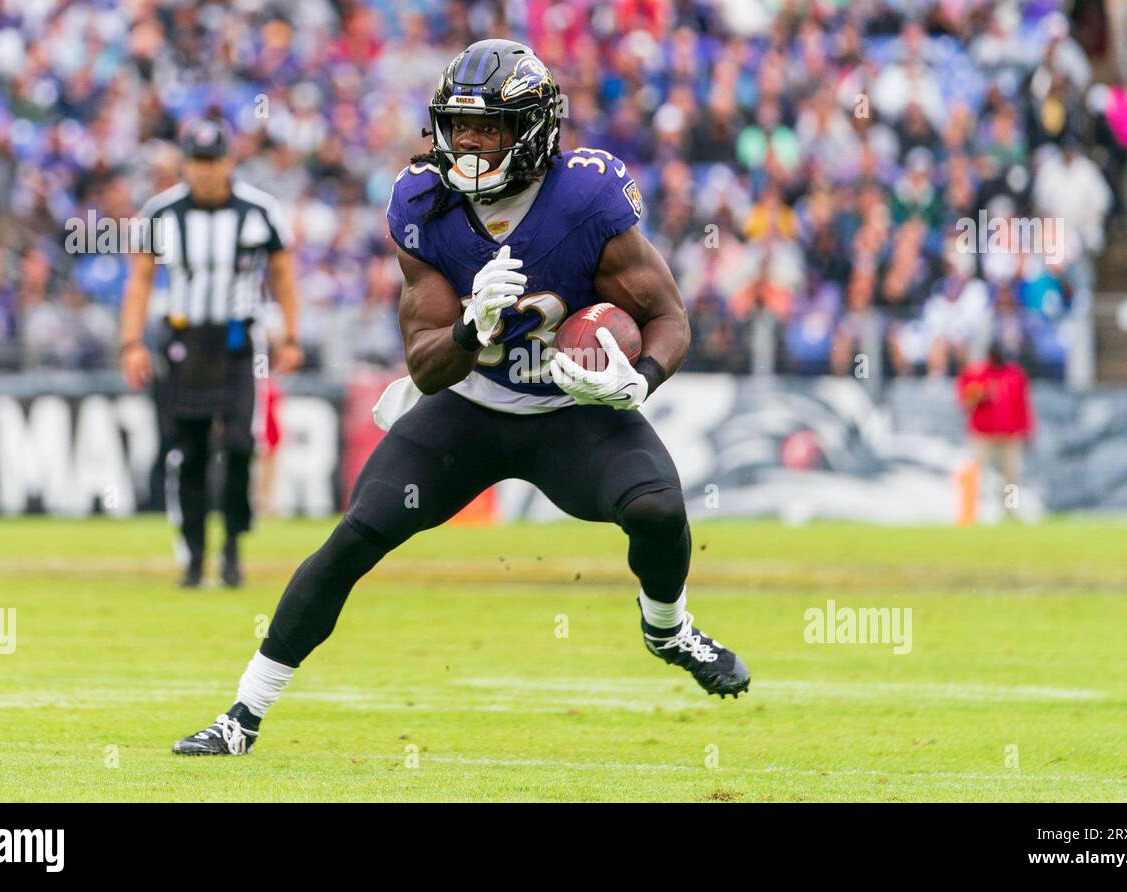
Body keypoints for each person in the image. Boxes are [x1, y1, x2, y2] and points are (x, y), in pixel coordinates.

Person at [172, 39, 750, 755]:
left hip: (574, 416)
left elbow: (669, 318)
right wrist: (470, 329)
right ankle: (242, 715)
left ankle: (669, 629)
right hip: (471, 408)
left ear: (534, 129)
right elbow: (426, 360)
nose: (471, 144)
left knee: (660, 511)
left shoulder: (588, 196)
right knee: (357, 535)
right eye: (460, 127)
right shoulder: (423, 201)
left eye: (491, 128)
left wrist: (642, 380)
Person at [119, 118, 303, 588]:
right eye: (197, 161)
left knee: (241, 443)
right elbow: (139, 282)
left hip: (239, 340)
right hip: (184, 341)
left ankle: (234, 546)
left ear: (229, 161)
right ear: (185, 163)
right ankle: (195, 555)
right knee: (191, 449)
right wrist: (132, 342)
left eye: (212, 160)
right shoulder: (161, 213)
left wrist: (291, 334)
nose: (204, 171)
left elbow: (282, 275)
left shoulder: (259, 211)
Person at [957, 343, 1034, 519]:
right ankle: (969, 512)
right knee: (974, 474)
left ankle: (1010, 512)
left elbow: (1023, 404)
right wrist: (979, 394)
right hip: (982, 435)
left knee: (1011, 477)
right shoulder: (976, 373)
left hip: (1009, 435)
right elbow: (965, 401)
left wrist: (1027, 430)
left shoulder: (1015, 374)